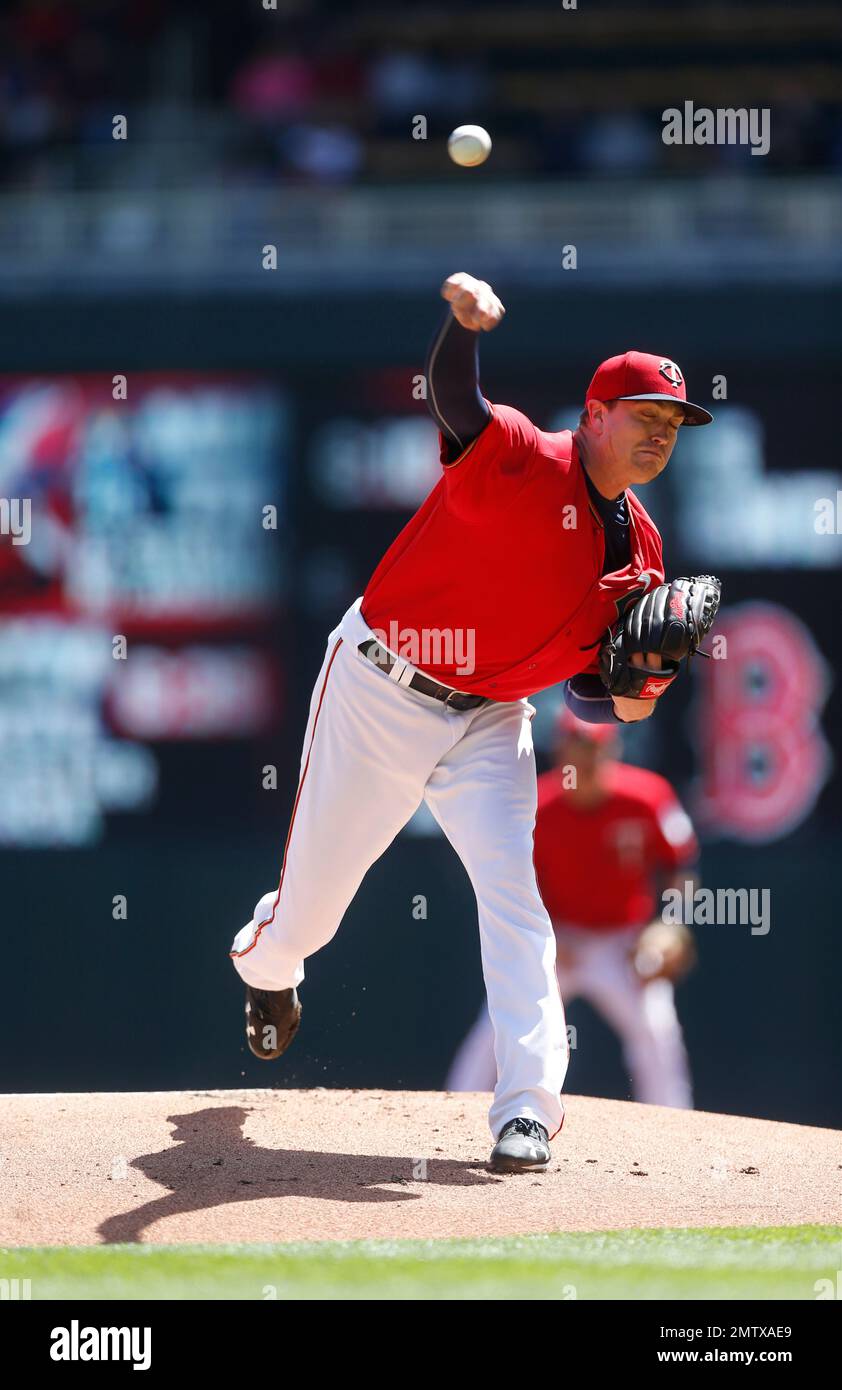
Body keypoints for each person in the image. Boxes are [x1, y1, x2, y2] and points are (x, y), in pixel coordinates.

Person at [229, 271, 713, 1173]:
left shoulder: (644, 550)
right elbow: (458, 401)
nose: (659, 433)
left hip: (493, 717)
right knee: (308, 918)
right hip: (381, 683)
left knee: (516, 899)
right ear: (596, 414)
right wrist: (462, 328)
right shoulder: (528, 456)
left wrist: (641, 691)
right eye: (644, 413)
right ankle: (268, 970)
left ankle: (525, 1112)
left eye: (674, 423)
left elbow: (589, 696)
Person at [447, 705, 699, 1108]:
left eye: (595, 749)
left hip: (624, 942)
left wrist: (669, 924)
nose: (585, 759)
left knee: (656, 1028)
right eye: (576, 748)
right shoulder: (536, 806)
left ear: (612, 751)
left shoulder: (648, 797)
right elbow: (505, 880)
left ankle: (674, 1123)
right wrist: (538, 937)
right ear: (561, 753)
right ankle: (451, 1109)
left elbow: (680, 868)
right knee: (500, 1023)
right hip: (557, 938)